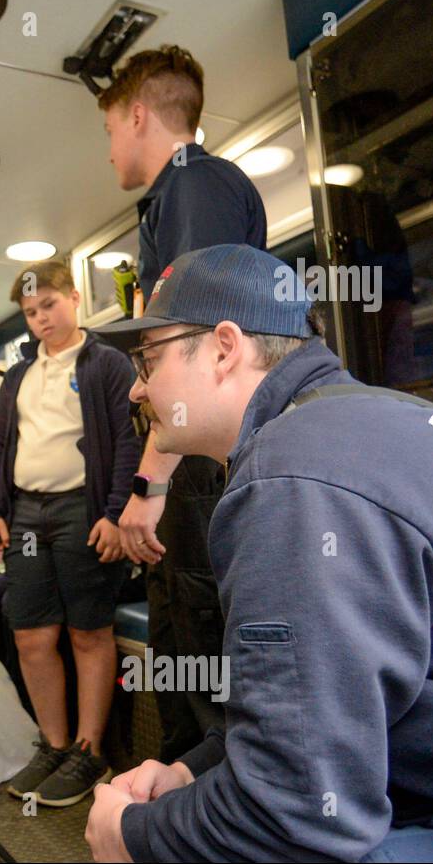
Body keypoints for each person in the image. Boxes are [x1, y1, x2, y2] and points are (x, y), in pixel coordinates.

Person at [86, 244, 433, 862]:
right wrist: (198, 773)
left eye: (147, 359)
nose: (136, 390)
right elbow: (330, 702)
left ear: (223, 347)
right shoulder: (350, 426)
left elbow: (293, 820)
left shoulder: (291, 475)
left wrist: (130, 837)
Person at [99, 44, 267, 758]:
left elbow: (196, 347)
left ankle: (212, 821)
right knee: (176, 644)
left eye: (109, 131)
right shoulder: (170, 201)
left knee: (204, 648)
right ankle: (173, 800)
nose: (109, 152)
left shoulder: (196, 187)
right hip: (184, 452)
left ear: (137, 115)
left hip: (199, 456)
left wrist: (152, 478)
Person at [0, 260, 142, 807]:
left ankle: (89, 751)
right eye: (30, 312)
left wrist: (116, 512)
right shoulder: (19, 375)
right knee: (32, 635)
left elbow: (127, 441)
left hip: (84, 510)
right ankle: (53, 746)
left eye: (48, 304)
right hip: (26, 513)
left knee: (88, 634)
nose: (40, 318)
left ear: (73, 298)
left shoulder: (109, 364)